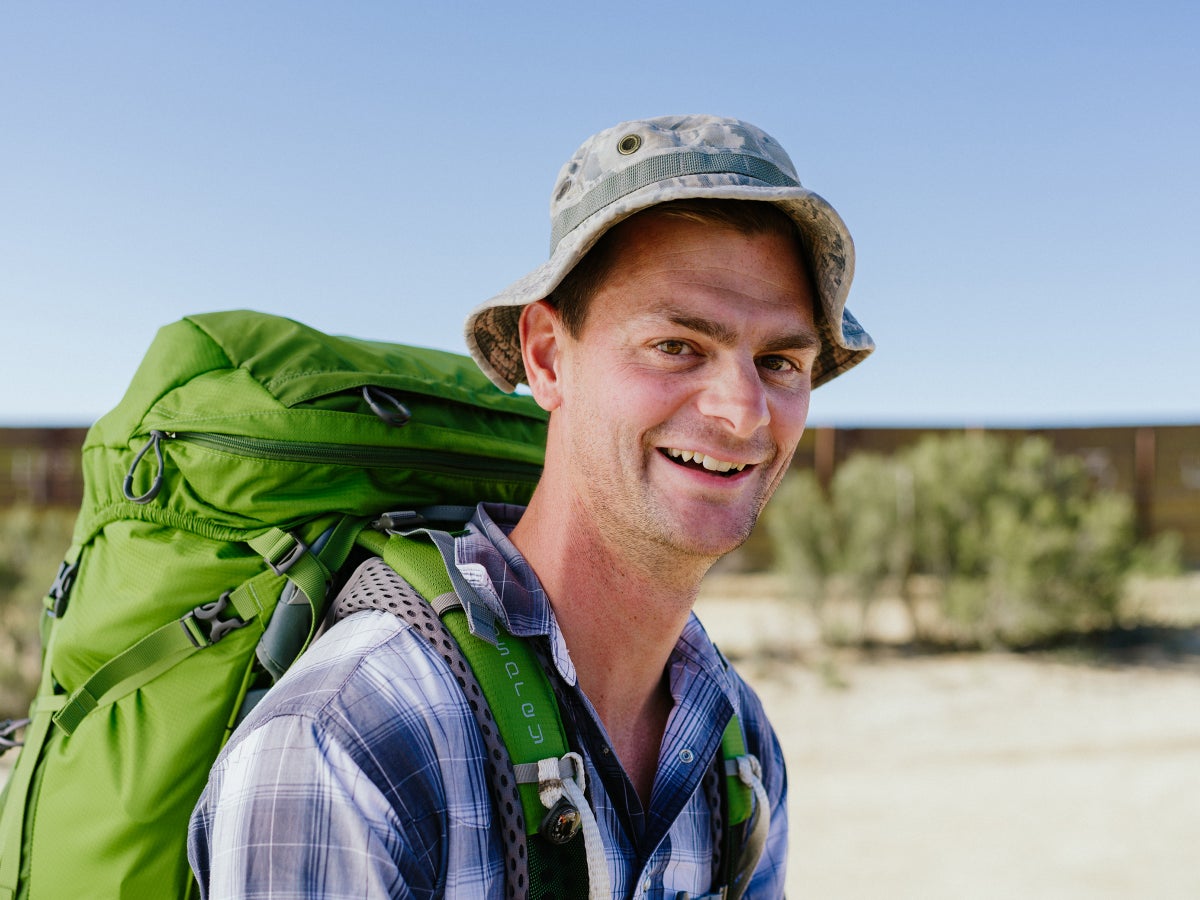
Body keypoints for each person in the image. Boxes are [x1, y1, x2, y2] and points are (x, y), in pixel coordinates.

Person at [188, 114, 874, 898]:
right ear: (548, 358)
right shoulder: (354, 741)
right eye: (678, 345)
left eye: (780, 362)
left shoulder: (732, 739)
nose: (745, 410)